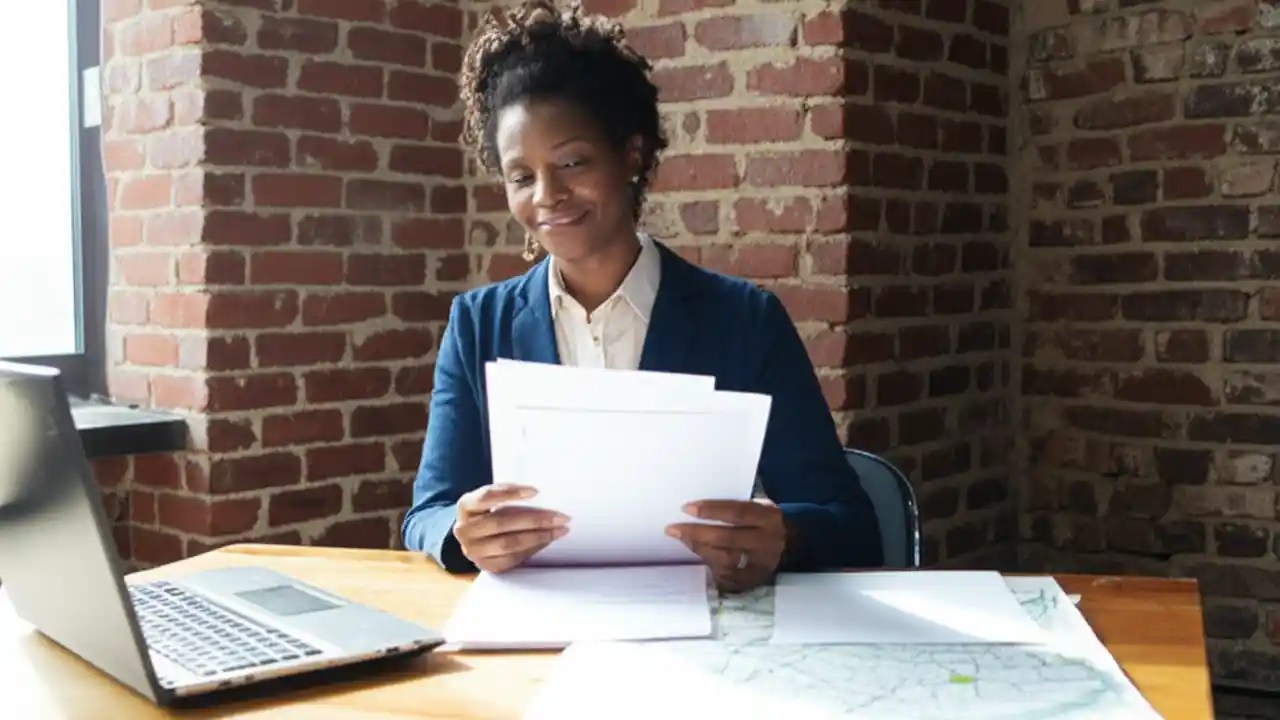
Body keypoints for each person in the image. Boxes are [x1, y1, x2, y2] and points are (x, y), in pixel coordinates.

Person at [402, 0, 882, 592]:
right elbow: (425, 517)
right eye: (521, 177)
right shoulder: (478, 324)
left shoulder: (743, 321)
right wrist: (462, 532)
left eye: (573, 162)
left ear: (630, 155)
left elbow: (852, 524)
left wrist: (781, 535)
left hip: (704, 634)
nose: (547, 196)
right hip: (539, 632)